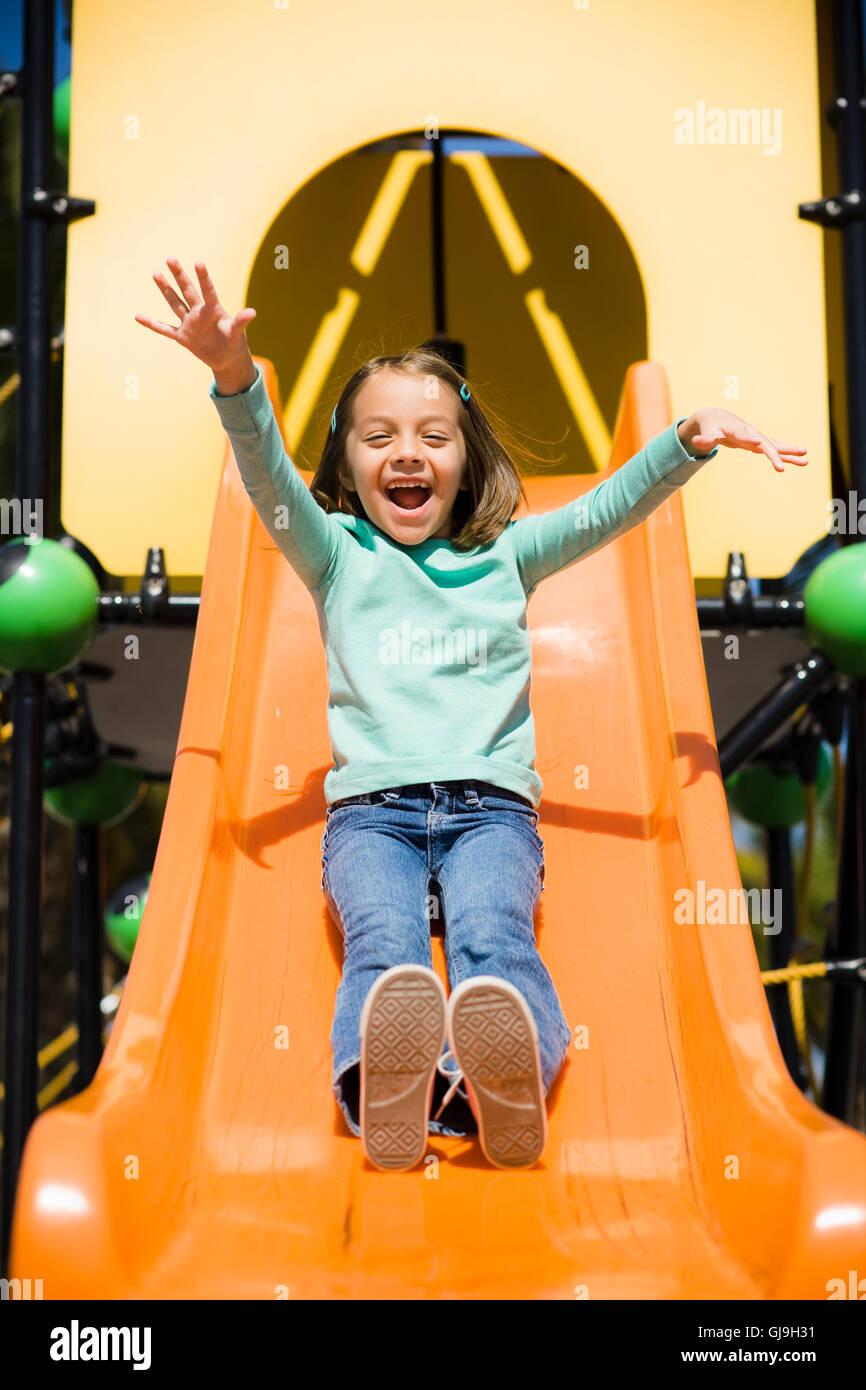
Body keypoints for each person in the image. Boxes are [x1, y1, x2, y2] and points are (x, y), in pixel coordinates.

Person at [135, 257, 809, 1172]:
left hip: (494, 809)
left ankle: (504, 1076)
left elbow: (609, 510)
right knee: (387, 944)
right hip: (371, 814)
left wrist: (686, 440)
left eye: (432, 436)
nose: (406, 453)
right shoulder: (334, 555)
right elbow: (266, 478)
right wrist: (231, 374)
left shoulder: (507, 558)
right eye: (378, 437)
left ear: (466, 459)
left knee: (495, 933)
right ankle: (383, 1081)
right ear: (345, 463)